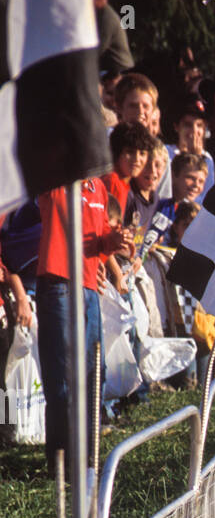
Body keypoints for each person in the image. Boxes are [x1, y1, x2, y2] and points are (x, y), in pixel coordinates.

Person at [35, 180, 133, 471]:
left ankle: (88, 456)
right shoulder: (54, 176)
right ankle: (62, 458)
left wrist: (116, 240)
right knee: (63, 374)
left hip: (89, 285)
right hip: (57, 282)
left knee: (93, 372)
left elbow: (100, 238)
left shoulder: (98, 188)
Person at [167, 96, 215, 196]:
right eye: (188, 125)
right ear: (177, 126)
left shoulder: (207, 159)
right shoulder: (166, 152)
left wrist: (198, 159)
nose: (194, 130)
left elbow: (207, 196)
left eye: (199, 125)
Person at [106, 122, 154, 215]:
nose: (136, 159)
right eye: (130, 152)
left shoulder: (123, 183)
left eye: (142, 154)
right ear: (117, 152)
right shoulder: (113, 181)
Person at [93, 0, 134, 74]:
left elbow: (97, 50)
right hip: (110, 69)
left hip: (119, 70)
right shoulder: (98, 14)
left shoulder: (107, 17)